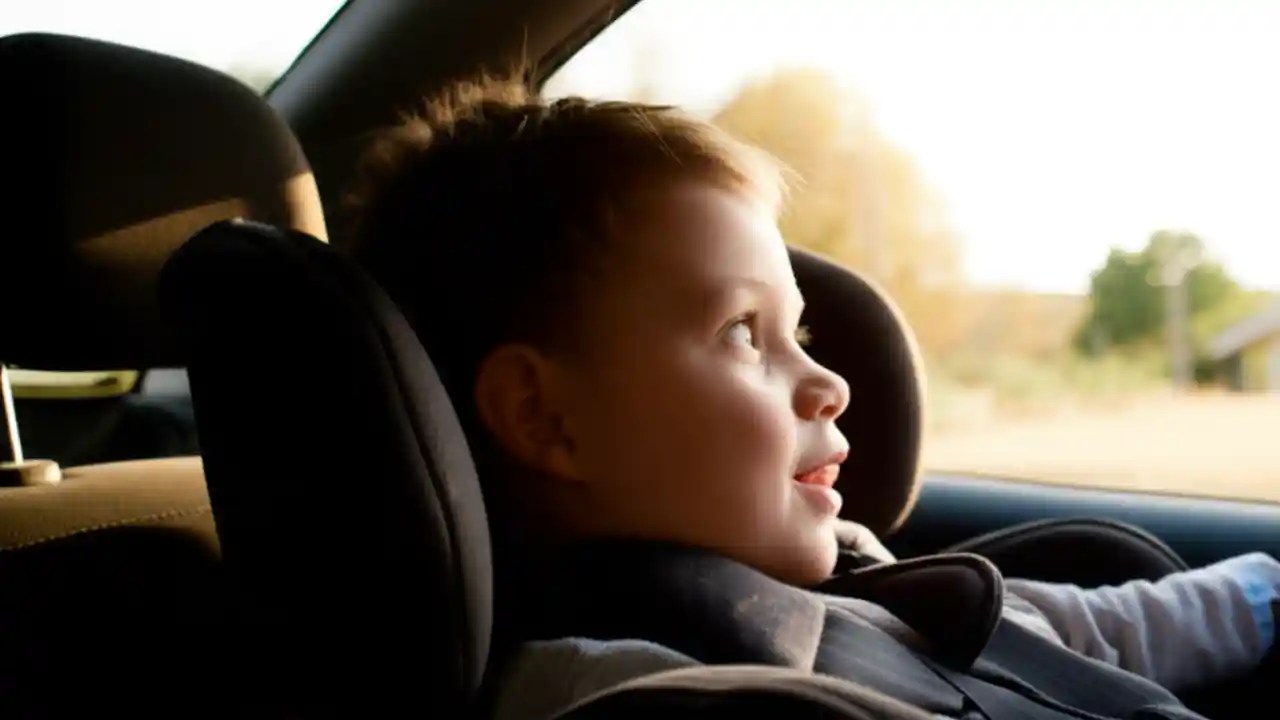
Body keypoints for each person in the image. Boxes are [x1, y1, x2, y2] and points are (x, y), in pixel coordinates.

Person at [342, 76, 1280, 720]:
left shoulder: (860, 588)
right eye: (745, 334)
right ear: (549, 419)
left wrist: (1261, 587)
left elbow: (1093, 633)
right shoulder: (645, 697)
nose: (829, 385)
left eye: (805, 335)